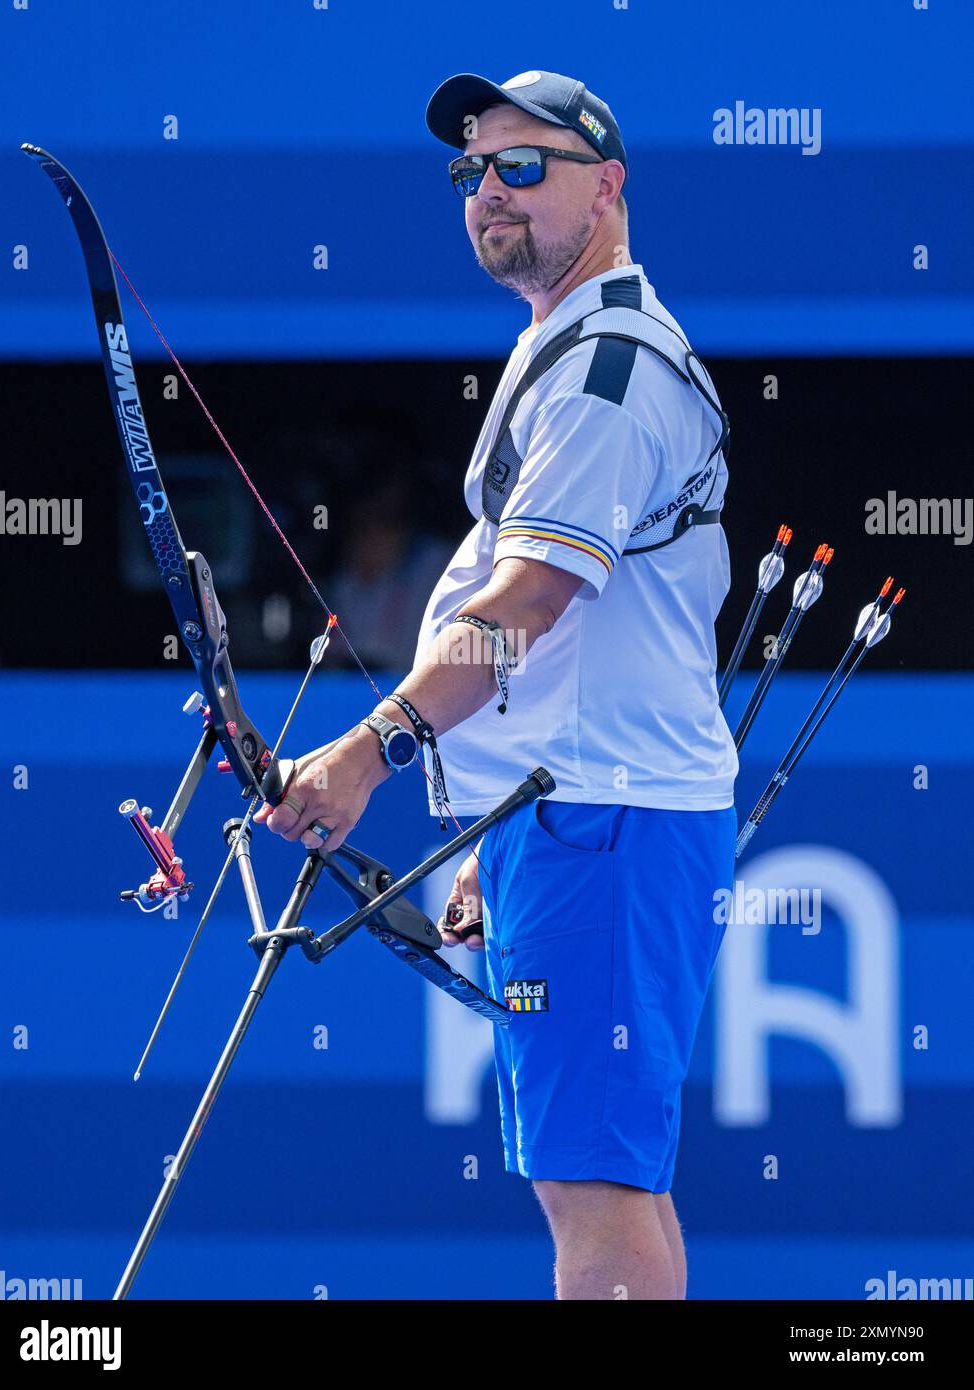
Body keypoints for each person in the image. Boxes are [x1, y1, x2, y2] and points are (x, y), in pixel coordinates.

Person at [255, 70, 737, 1300]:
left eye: (524, 165)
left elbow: (524, 604)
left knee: (596, 1189)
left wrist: (364, 754)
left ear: (608, 187)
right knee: (602, 1178)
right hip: (567, 814)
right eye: (471, 170)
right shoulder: (567, 349)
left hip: (605, 820)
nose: (489, 192)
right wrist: (487, 822)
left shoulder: (605, 373)